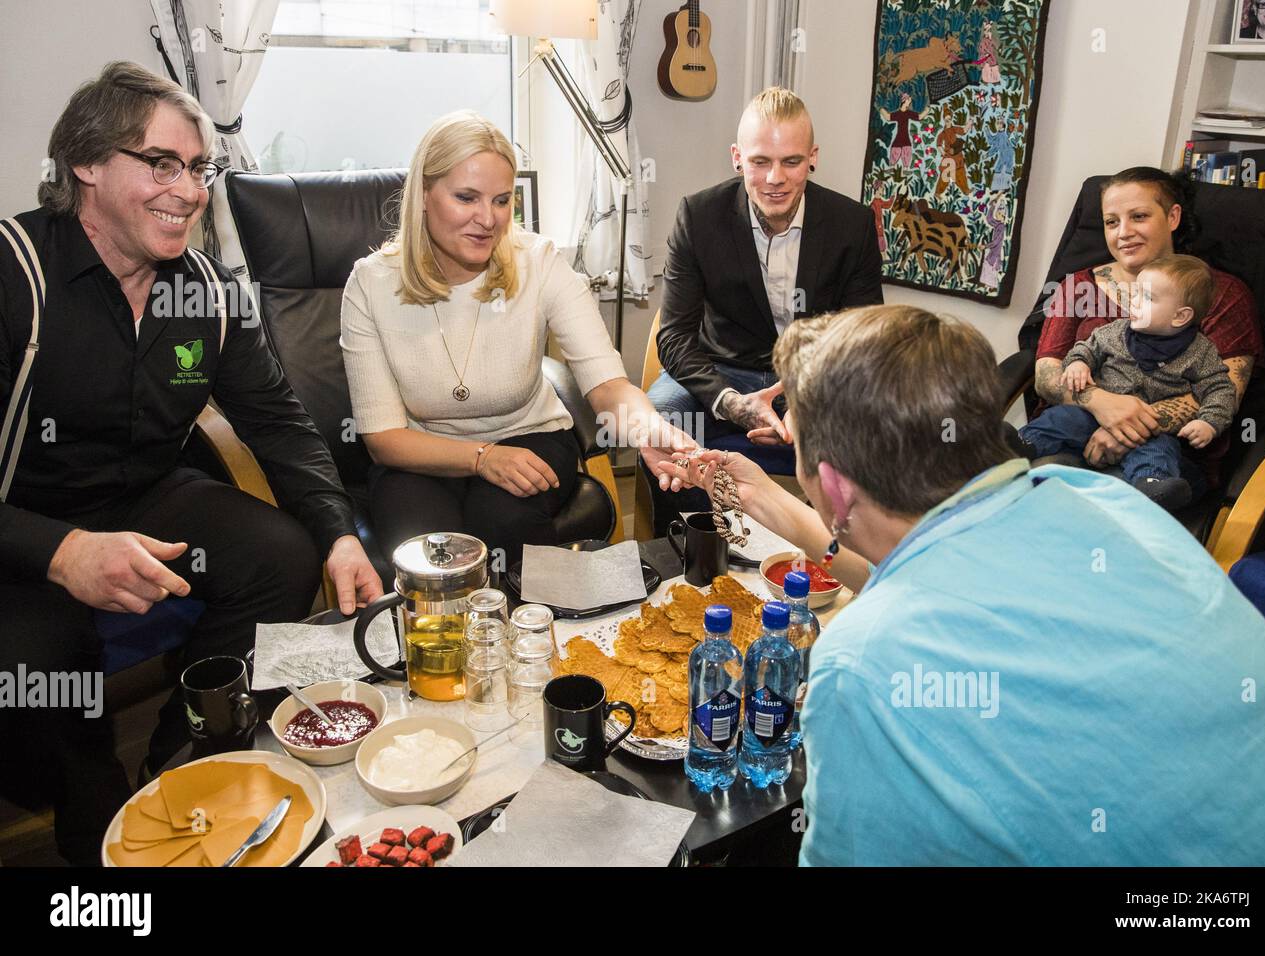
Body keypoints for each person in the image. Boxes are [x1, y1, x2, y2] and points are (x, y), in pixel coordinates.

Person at [654, 305, 1265, 865]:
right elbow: (928, 574)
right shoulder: (1104, 500)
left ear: (831, 484)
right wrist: (780, 507)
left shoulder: (861, 665)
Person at [0, 62, 382, 864]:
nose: (190, 189)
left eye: (200, 168)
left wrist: (340, 534)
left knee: (283, 551)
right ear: (88, 164)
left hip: (144, 496)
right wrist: (63, 552)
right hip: (22, 527)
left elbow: (278, 424)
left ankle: (187, 752)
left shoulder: (206, 291)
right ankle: (91, 810)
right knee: (37, 657)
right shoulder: (15, 275)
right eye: (162, 163)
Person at [341, 111, 693, 566]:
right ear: (424, 195)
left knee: (504, 523)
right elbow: (383, 438)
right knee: (429, 552)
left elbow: (607, 385)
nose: (488, 219)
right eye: (466, 197)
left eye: (502, 200)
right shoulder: (370, 285)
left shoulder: (540, 263)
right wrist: (481, 458)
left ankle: (535, 634)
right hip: (421, 452)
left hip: (530, 436)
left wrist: (650, 429)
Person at [647, 87, 883, 534]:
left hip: (811, 376)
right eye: (760, 162)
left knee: (878, 426)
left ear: (812, 157)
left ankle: (824, 559)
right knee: (663, 416)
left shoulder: (852, 226)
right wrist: (732, 404)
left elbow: (862, 342)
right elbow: (674, 337)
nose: (775, 178)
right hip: (721, 372)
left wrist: (803, 398)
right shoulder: (698, 216)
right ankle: (692, 545)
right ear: (737, 157)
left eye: (790, 161)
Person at [1031, 166, 1263, 495]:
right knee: (1040, 481)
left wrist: (1121, 429)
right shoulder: (1077, 287)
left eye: (1138, 216)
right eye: (1112, 222)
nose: (1123, 232)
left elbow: (1225, 390)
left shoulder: (1219, 293)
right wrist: (1100, 404)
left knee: (1103, 499)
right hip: (1071, 435)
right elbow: (1046, 374)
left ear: (1172, 217)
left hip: (1170, 454)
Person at [1020, 255, 1235, 510]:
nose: (1133, 301)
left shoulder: (1200, 353)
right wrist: (1078, 364)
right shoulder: (1116, 331)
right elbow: (1086, 349)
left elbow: (1220, 388)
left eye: (1147, 297)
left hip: (1150, 434)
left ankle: (1152, 485)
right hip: (1094, 416)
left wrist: (1209, 421)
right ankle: (1023, 445)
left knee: (1160, 451)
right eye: (1135, 293)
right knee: (1062, 419)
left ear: (1180, 316)